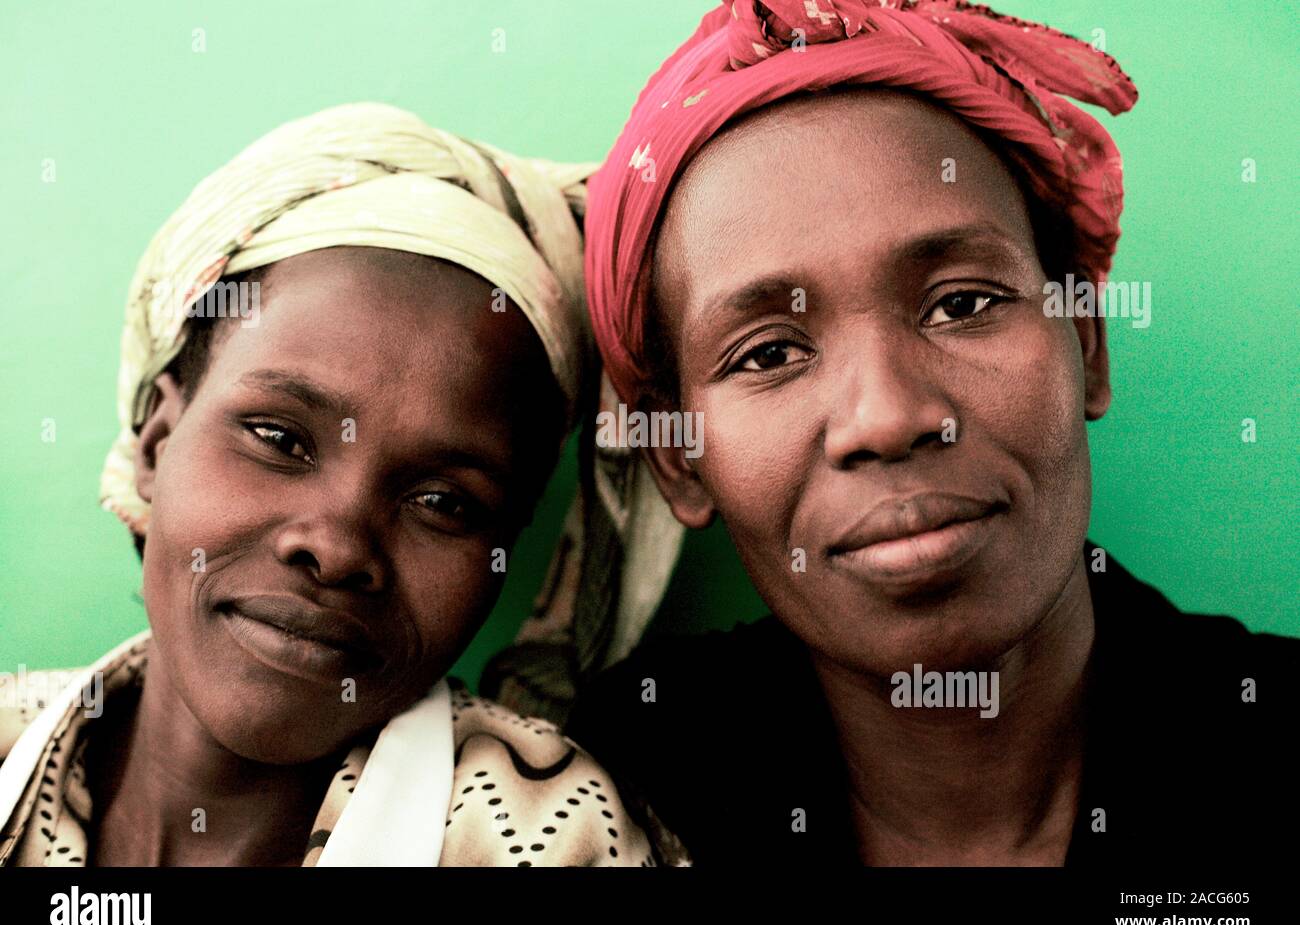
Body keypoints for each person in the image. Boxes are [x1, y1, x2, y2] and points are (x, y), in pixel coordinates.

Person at [564, 0, 1298, 866]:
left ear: (1087, 344)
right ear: (677, 455)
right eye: (768, 354)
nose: (888, 417)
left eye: (962, 304)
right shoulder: (612, 797)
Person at [0, 103, 663, 867]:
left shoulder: (563, 844)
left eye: (444, 502)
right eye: (279, 439)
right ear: (155, 444)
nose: (338, 546)